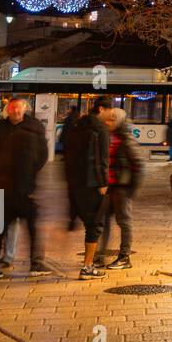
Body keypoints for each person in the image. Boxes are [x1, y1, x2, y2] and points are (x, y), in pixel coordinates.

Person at [0, 98, 50, 279]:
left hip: (23, 186)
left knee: (25, 226)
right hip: (7, 187)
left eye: (19, 109)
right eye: (13, 109)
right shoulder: (2, 126)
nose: (16, 112)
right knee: (6, 227)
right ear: (8, 110)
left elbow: (42, 155)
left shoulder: (33, 126)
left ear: (24, 109)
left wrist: (31, 173)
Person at [63, 96, 114, 280]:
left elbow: (67, 153)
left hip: (75, 182)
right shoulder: (100, 129)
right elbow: (101, 158)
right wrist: (103, 183)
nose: (111, 114)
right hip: (92, 184)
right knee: (95, 224)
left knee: (89, 223)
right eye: (109, 110)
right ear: (101, 109)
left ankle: (88, 264)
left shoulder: (77, 126)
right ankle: (87, 266)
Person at [97, 106, 142, 270]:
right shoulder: (108, 136)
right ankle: (99, 255)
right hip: (109, 187)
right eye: (107, 119)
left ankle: (124, 257)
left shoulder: (126, 139)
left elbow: (138, 164)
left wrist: (132, 190)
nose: (108, 122)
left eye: (112, 120)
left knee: (124, 221)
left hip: (122, 188)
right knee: (101, 221)